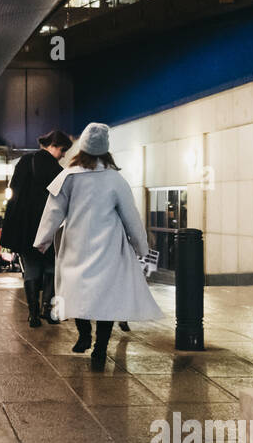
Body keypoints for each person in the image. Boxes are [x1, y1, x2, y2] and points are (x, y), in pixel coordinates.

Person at [33, 123, 160, 369]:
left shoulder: (68, 176)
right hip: (109, 247)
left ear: (82, 148)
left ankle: (84, 336)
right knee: (107, 297)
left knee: (75, 290)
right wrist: (142, 248)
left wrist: (43, 240)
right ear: (105, 150)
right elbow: (130, 217)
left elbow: (53, 211)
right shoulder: (115, 179)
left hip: (76, 244)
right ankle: (100, 348)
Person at [1, 129, 72, 326]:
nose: (64, 154)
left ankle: (32, 314)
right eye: (63, 150)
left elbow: (13, 194)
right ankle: (46, 311)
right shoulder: (58, 171)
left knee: (31, 269)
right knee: (51, 268)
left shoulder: (24, 163)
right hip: (50, 227)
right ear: (54, 146)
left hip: (25, 229)